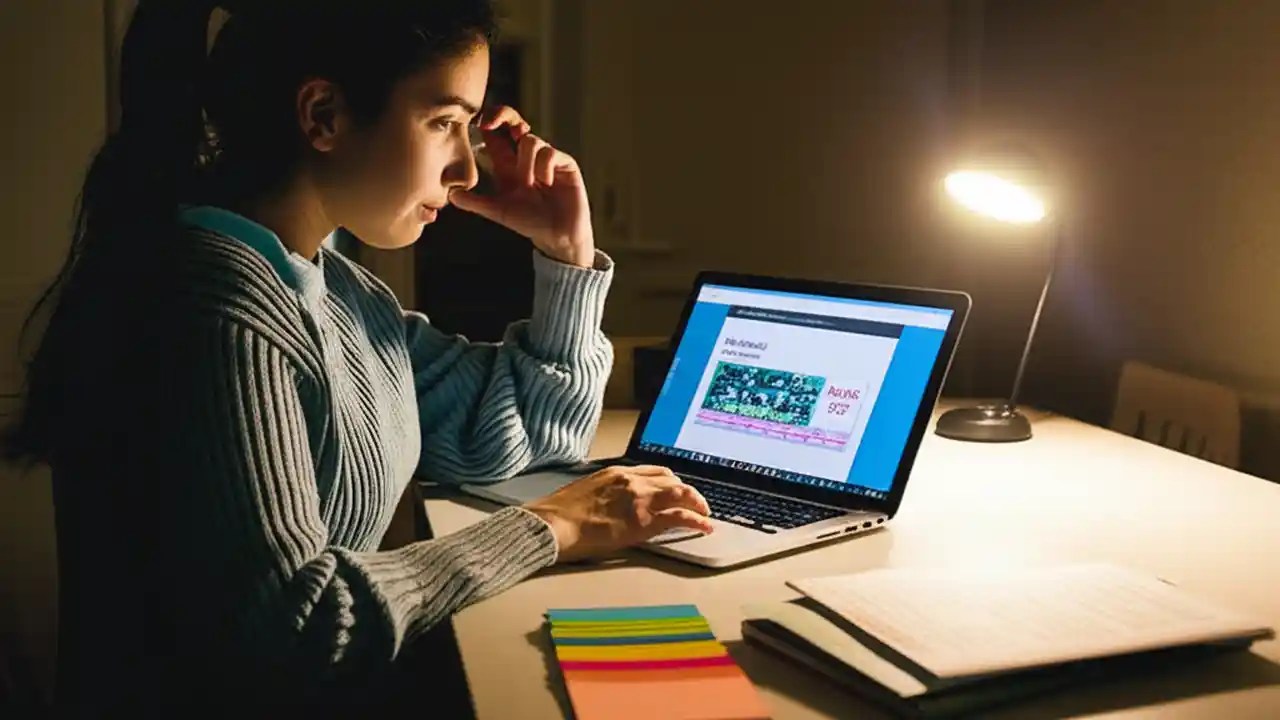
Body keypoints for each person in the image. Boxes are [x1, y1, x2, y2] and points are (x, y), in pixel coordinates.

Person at [0, 0, 714, 714]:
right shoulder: (217, 306)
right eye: (444, 123)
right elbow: (296, 633)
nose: (466, 168)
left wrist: (566, 256)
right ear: (324, 116)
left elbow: (518, 433)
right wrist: (551, 527)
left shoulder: (339, 291)